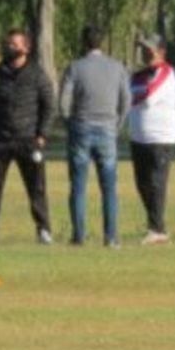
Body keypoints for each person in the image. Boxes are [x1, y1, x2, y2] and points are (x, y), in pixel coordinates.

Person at [0, 28, 55, 247]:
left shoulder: (37, 74)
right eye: (8, 44)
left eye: (14, 44)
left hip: (28, 140)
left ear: (26, 48)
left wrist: (42, 135)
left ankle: (44, 230)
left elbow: (48, 104)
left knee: (36, 188)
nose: (10, 47)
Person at [59, 25, 130, 247]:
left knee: (78, 185)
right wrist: (117, 124)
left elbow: (63, 102)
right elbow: (126, 100)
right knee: (109, 186)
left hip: (81, 127)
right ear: (102, 41)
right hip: (108, 128)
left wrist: (69, 123)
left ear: (83, 42)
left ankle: (79, 235)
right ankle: (110, 236)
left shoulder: (75, 67)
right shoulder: (117, 67)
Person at [128, 34, 175, 245]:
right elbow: (126, 93)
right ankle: (155, 225)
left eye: (151, 49)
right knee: (142, 184)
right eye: (144, 49)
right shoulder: (137, 75)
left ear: (161, 52)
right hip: (138, 136)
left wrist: (130, 99)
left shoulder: (166, 73)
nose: (147, 53)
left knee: (157, 184)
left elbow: (149, 96)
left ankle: (156, 229)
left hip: (160, 137)